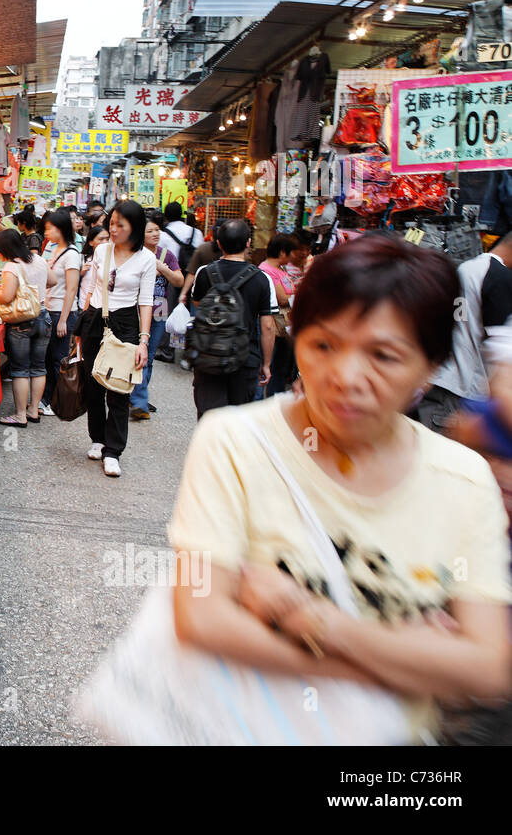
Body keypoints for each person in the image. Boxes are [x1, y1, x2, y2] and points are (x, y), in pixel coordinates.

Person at [169, 234, 511, 743]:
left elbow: (487, 665)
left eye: (384, 356)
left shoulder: (462, 477)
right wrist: (405, 662)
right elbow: (199, 615)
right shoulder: (231, 441)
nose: (347, 376)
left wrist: (313, 621)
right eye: (324, 344)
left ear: (432, 365)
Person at [79, 200, 157, 478]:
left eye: (119, 225)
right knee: (93, 384)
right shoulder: (101, 250)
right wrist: (83, 322)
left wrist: (144, 341)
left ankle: (113, 451)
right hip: (95, 319)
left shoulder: (147, 258)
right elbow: (91, 287)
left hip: (125, 324)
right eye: (111, 223)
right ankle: (97, 440)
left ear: (134, 228)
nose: (113, 229)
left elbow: (146, 302)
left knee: (119, 390)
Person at [416, 230, 512, 432]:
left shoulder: (467, 268)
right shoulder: (500, 277)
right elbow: (500, 347)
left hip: (440, 383)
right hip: (463, 393)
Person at [189, 219, 275, 419]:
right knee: (238, 420)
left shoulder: (204, 273)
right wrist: (266, 363)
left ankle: (208, 450)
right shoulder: (262, 279)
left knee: (208, 416)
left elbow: (199, 306)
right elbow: (268, 326)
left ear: (219, 243)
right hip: (245, 357)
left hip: (208, 354)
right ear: (248, 243)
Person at [0, 228, 50, 427]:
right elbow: (54, 280)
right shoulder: (38, 259)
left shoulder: (11, 267)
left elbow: (6, 296)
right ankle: (34, 410)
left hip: (22, 321)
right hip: (43, 316)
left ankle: (20, 415)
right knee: (39, 367)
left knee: (21, 369)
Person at [130, 213, 183, 420]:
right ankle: (137, 398)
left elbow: (178, 280)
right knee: (135, 353)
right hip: (136, 308)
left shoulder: (166, 255)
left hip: (160, 308)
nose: (155, 234)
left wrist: (162, 268)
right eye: (149, 231)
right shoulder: (134, 253)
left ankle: (138, 397)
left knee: (150, 356)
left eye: (157, 230)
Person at [39, 210, 83, 417]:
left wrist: (64, 320)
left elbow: (71, 289)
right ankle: (46, 399)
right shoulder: (52, 249)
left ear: (62, 229)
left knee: (58, 358)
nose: (47, 231)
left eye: (51, 228)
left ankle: (58, 403)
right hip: (49, 308)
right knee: (49, 358)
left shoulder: (72, 253)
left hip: (61, 312)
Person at [259, 233, 299, 397]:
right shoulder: (266, 270)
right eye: (291, 252)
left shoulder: (279, 269)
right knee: (273, 367)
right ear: (282, 252)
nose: (293, 257)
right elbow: (281, 298)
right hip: (275, 325)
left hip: (284, 327)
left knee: (280, 368)